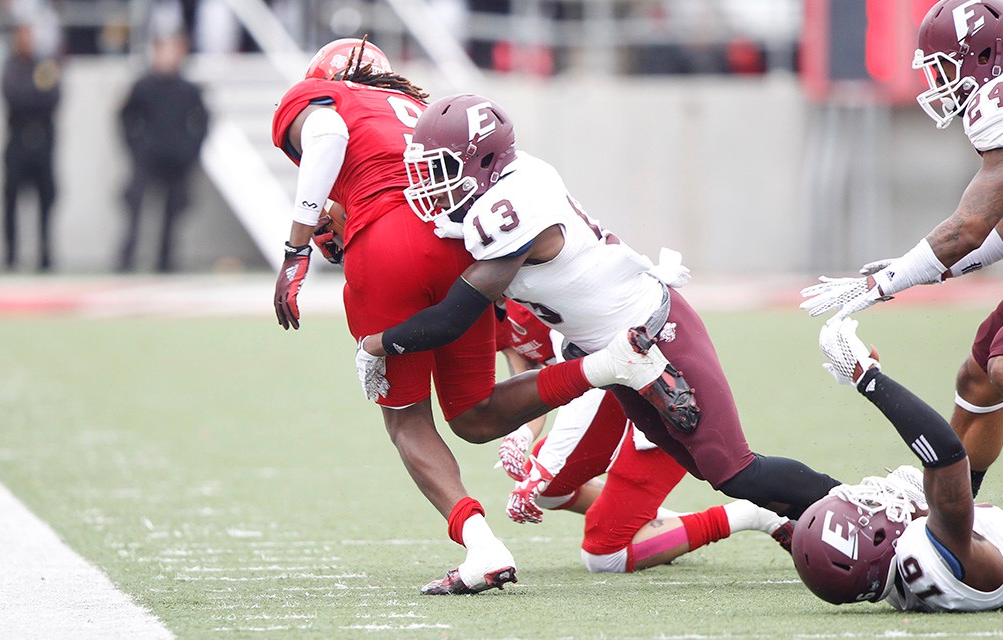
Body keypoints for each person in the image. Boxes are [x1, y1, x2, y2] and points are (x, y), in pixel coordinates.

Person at [269, 38, 667, 595]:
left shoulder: (319, 99)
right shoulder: (411, 108)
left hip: (386, 247)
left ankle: (483, 545)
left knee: (407, 419)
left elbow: (331, 136)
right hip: (455, 237)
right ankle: (606, 366)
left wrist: (297, 247)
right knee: (474, 415)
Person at [355, 92, 842, 521]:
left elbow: (452, 319)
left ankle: (860, 505)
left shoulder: (508, 210)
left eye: (442, 168)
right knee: (710, 469)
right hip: (621, 354)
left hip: (654, 334)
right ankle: (816, 520)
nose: (430, 183)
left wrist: (374, 345)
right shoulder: (508, 181)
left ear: (484, 162)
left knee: (735, 469)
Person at [799, 0, 1003, 498]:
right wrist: (926, 270)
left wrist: (885, 283)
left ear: (983, 55)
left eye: (945, 63)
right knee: (980, 374)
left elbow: (969, 225)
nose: (938, 80)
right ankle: (949, 501)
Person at [494, 299, 795, 572]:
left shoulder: (544, 287)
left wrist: (545, 468)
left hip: (662, 403)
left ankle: (754, 514)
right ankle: (652, 522)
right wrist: (522, 434)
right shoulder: (496, 310)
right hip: (614, 397)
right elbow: (534, 387)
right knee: (545, 488)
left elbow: (587, 383)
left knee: (605, 557)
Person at [791, 317, 1003, 611]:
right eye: (868, 506)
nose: (878, 491)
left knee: (975, 379)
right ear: (878, 539)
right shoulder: (930, 552)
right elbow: (945, 455)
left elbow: (958, 472)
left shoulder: (906, 581)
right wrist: (866, 377)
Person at [117, 32, 209, 273]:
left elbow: (202, 121)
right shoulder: (144, 85)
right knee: (135, 207)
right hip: (148, 158)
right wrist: (136, 146)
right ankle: (126, 258)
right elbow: (126, 117)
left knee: (173, 211)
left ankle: (166, 260)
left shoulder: (188, 89)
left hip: (177, 159)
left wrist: (190, 150)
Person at [1, 21, 61, 272]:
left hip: (43, 143)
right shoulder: (10, 67)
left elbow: (53, 98)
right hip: (16, 143)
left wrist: (33, 96)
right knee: (11, 202)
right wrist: (34, 94)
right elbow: (13, 97)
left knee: (46, 201)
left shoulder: (44, 66)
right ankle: (11, 257)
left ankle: (45, 256)